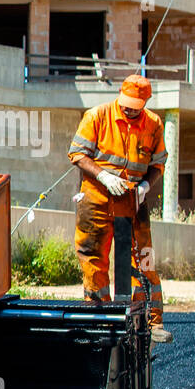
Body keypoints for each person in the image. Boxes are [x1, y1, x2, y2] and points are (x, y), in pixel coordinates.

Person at [67, 74, 171, 343]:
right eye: (126, 104)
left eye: (136, 106)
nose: (129, 109)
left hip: (134, 199)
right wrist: (103, 175)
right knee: (93, 259)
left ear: (145, 103)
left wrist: (147, 185)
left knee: (143, 258)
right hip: (97, 198)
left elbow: (158, 164)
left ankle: (150, 321)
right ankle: (98, 318)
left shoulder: (154, 125)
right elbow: (77, 153)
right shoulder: (97, 116)